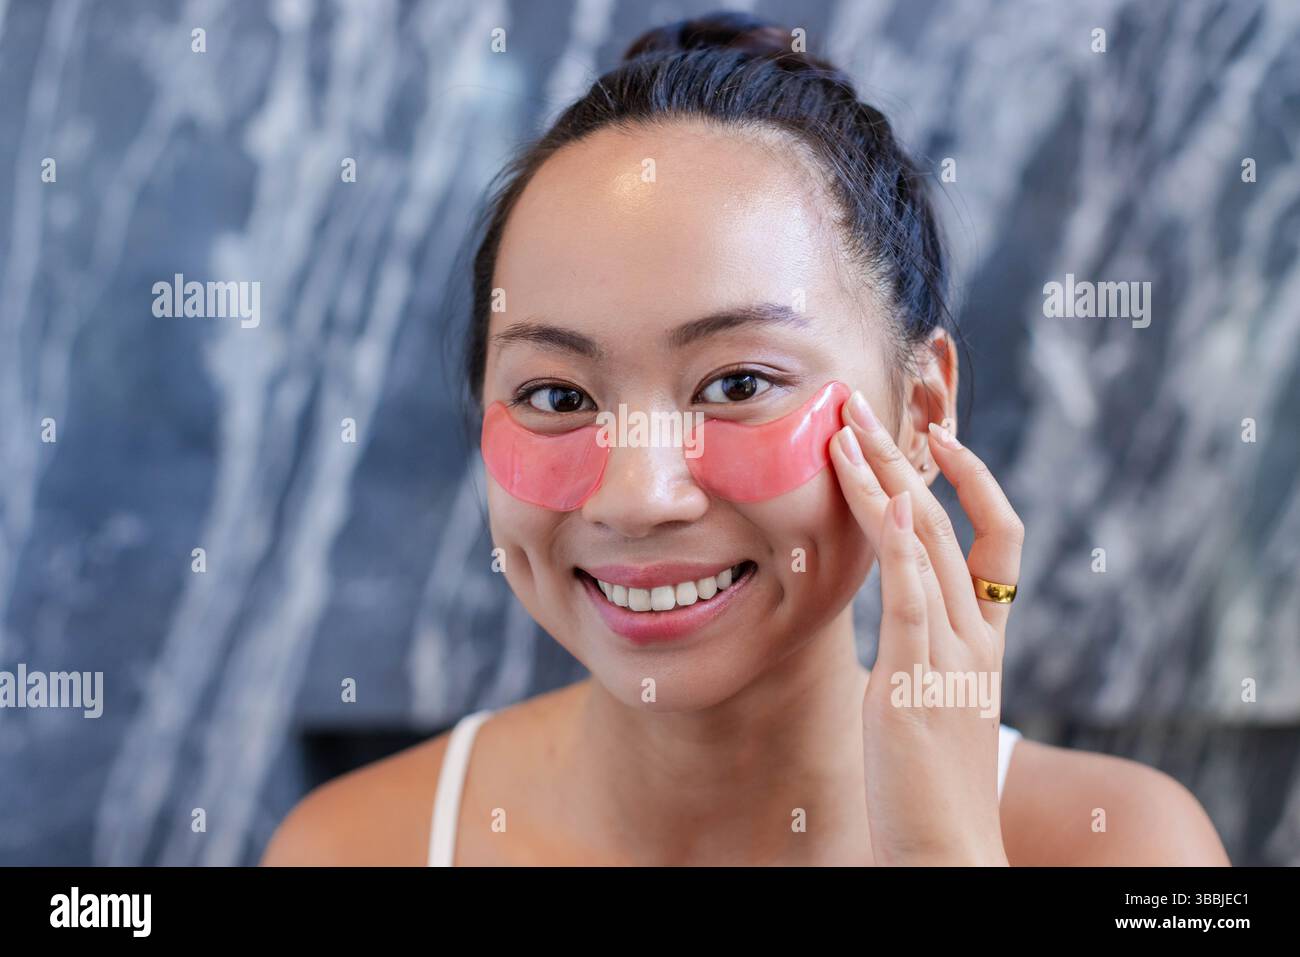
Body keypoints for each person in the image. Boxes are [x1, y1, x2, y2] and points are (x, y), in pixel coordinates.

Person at [262, 11, 1229, 866]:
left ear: (922, 409)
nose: (637, 497)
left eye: (737, 384)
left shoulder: (1132, 847)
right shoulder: (348, 850)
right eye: (558, 395)